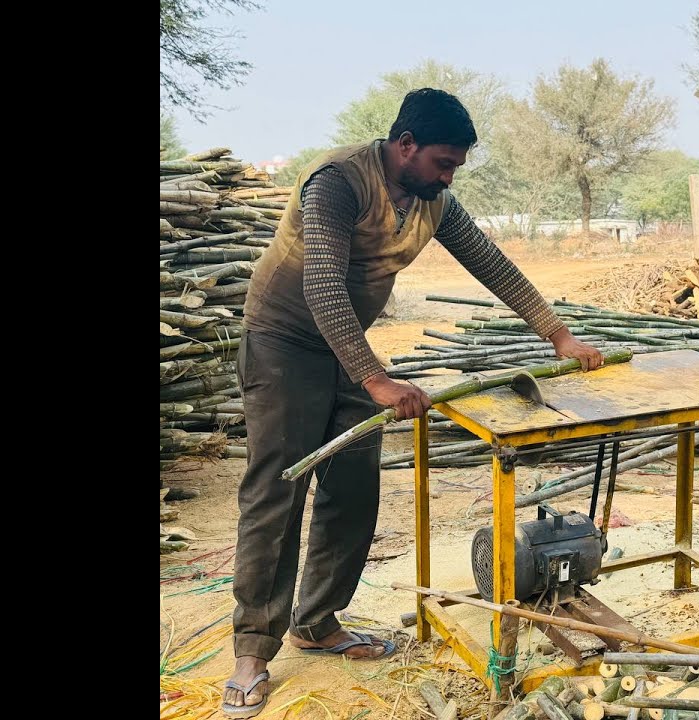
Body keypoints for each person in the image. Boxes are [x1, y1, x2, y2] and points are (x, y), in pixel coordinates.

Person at [221, 88, 604, 717]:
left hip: (350, 348)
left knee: (353, 486)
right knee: (277, 489)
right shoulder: (337, 183)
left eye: (456, 166)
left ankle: (316, 622)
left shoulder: (432, 201)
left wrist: (558, 335)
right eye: (443, 163)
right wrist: (375, 378)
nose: (449, 176)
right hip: (284, 341)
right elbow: (321, 283)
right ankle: (251, 653)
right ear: (406, 146)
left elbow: (492, 264)